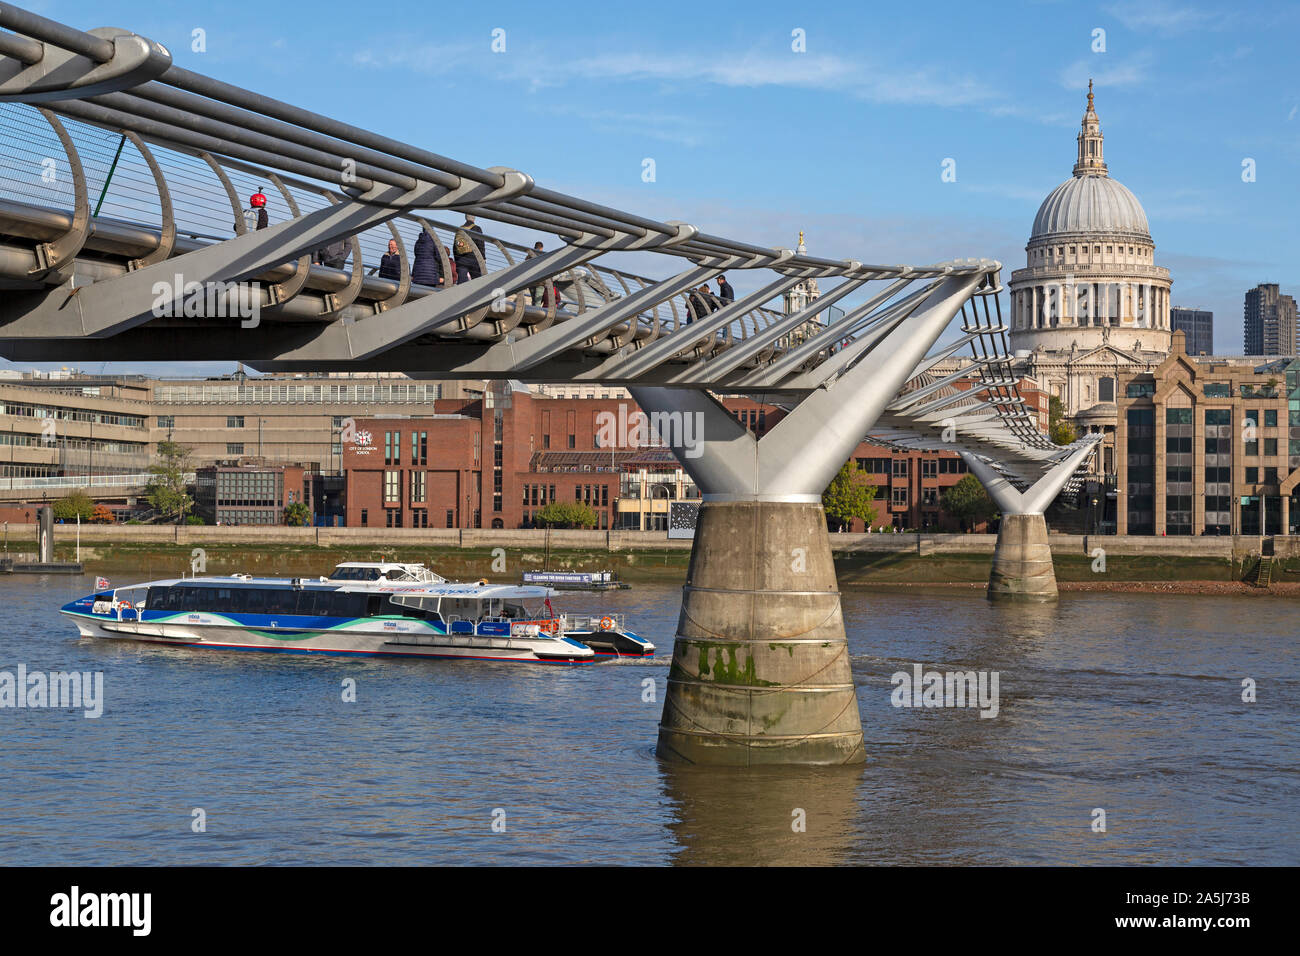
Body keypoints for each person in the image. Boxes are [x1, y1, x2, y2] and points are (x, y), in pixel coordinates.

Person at [453, 214, 486, 283]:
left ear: (466, 218)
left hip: (461, 259)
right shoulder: (477, 228)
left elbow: (455, 247)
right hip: (474, 259)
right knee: (477, 282)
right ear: (474, 218)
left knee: (462, 283)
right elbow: (481, 244)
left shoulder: (460, 229)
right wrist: (483, 258)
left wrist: (457, 260)